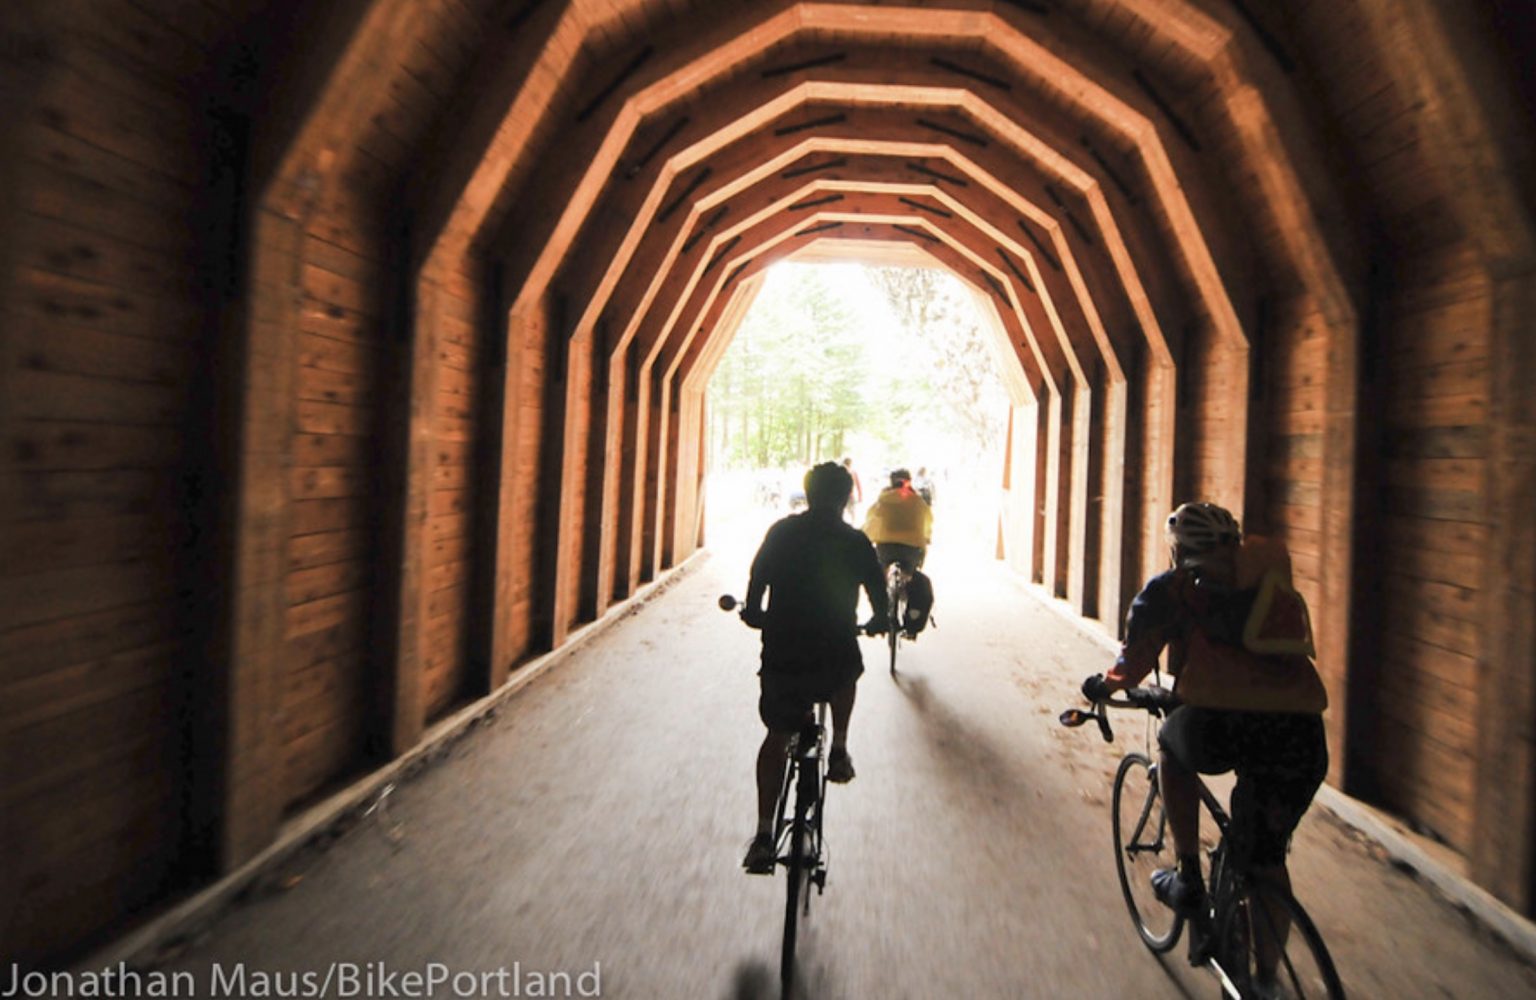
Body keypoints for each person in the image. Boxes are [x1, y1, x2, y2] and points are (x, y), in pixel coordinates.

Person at [1082, 502, 1328, 986]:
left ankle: (1189, 877)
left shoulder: (1172, 588)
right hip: (1301, 733)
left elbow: (1132, 664)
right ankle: (1266, 980)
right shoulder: (1268, 576)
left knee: (1173, 748)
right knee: (1265, 854)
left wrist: (1102, 686)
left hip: (1225, 723)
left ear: (1178, 548)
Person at [739, 461, 889, 874]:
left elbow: (758, 575)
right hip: (833, 647)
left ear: (807, 493)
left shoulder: (782, 532)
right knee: (848, 671)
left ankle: (765, 834)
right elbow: (877, 591)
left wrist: (754, 611)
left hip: (784, 648)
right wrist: (879, 620)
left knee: (777, 734)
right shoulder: (855, 540)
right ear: (846, 498)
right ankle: (839, 747)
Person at [861, 468, 932, 573]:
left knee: (880, 575)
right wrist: (927, 537)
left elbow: (871, 518)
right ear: (909, 481)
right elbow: (928, 521)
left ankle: (880, 586)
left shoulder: (884, 499)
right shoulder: (917, 501)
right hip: (911, 548)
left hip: (886, 547)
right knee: (912, 574)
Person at [842, 456, 863, 523]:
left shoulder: (842, 472)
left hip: (842, 494)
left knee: (843, 510)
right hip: (850, 495)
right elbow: (858, 485)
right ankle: (852, 523)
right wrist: (860, 496)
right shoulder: (853, 472)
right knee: (852, 512)